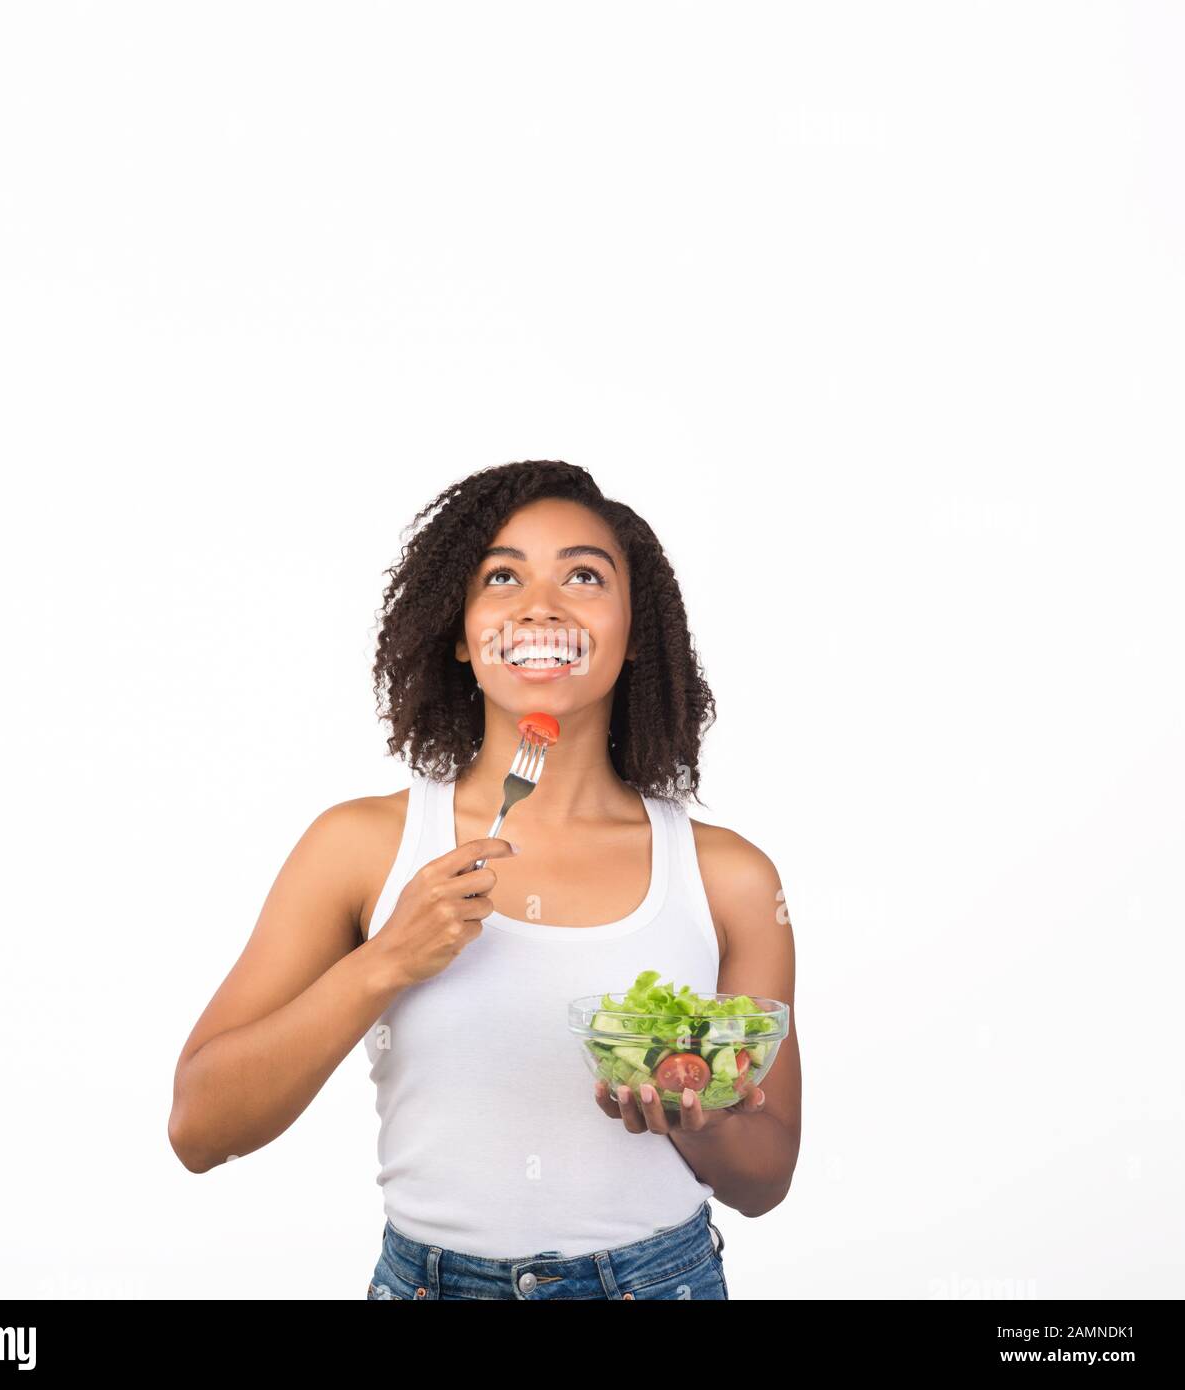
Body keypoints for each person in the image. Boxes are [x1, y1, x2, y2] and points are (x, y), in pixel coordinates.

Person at [167, 459, 801, 1300]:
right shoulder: (358, 847)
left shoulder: (729, 876)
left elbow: (766, 1179)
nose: (541, 604)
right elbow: (201, 1129)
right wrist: (386, 959)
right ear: (462, 634)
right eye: (503, 576)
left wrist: (700, 1123)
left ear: (633, 631)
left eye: (583, 575)